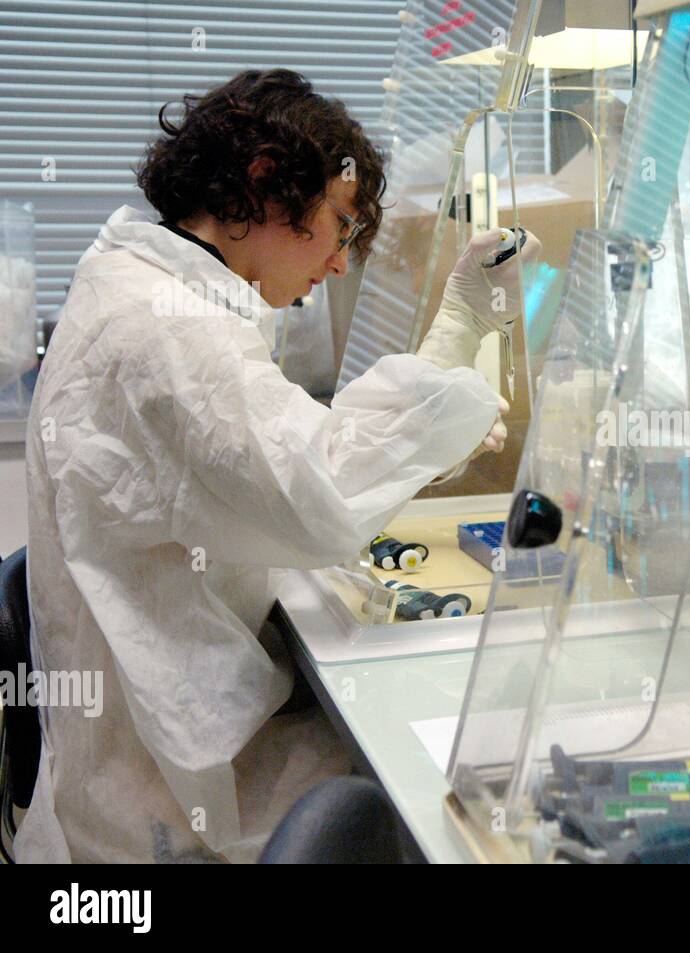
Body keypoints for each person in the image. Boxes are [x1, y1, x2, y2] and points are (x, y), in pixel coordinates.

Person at [16, 69, 537, 862]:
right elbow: (320, 488)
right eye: (337, 222)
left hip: (138, 742)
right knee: (441, 797)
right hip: (160, 803)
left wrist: (454, 343)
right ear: (263, 181)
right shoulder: (165, 329)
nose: (338, 263)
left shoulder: (144, 287)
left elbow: (283, 457)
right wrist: (450, 371)